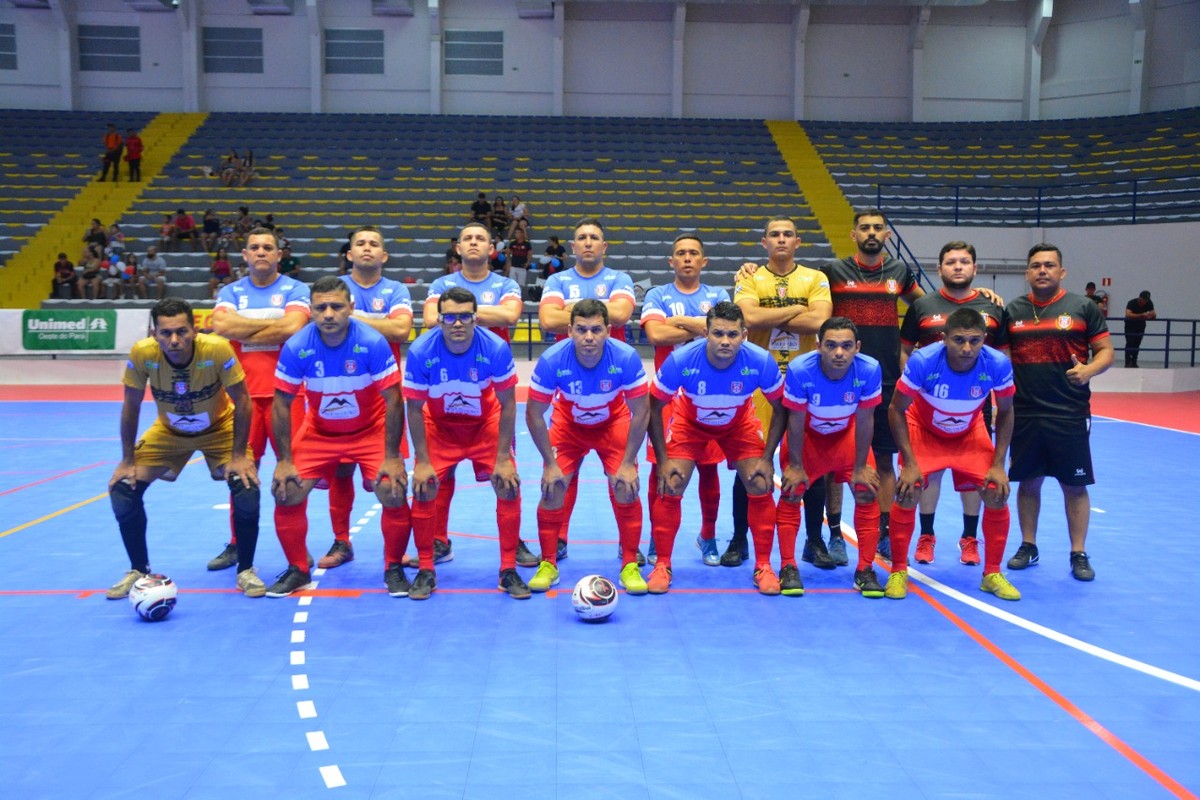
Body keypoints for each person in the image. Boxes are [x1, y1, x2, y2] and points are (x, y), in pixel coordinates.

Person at [104, 298, 265, 601]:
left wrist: (240, 455)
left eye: (181, 331)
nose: (174, 340)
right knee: (123, 489)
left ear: (195, 330)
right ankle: (139, 569)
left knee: (246, 486)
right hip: (169, 431)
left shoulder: (216, 349)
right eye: (166, 333)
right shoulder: (142, 354)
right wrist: (127, 460)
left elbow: (243, 401)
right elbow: (131, 405)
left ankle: (245, 569)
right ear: (154, 334)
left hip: (219, 428)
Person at [266, 277, 410, 597]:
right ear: (310, 311)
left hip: (370, 429)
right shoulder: (297, 346)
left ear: (351, 308)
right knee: (286, 490)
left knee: (393, 490)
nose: (329, 314)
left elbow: (394, 400)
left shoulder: (372, 342)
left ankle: (394, 567)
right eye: (321, 307)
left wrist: (392, 456)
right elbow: (282, 404)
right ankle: (298, 569)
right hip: (320, 433)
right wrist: (284, 461)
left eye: (336, 306)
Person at [648, 301, 787, 595]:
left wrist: (767, 457)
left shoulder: (760, 361)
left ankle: (764, 565)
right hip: (690, 421)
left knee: (760, 482)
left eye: (733, 334)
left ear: (744, 335)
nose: (725, 341)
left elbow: (781, 408)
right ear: (706, 333)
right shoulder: (682, 359)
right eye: (718, 333)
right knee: (671, 482)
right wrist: (662, 459)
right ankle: (662, 564)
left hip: (739, 423)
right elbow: (655, 404)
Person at [416, 223, 534, 568]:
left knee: (506, 473)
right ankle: (438, 541)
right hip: (446, 390)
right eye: (467, 238)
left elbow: (512, 316)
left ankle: (514, 545)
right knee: (442, 474)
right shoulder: (441, 284)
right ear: (458, 247)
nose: (473, 242)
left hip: (491, 392)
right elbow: (427, 321)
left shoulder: (506, 284)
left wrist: (457, 314)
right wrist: (476, 313)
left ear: (491, 248)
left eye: (480, 238)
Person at [884, 308, 1020, 600]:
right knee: (907, 491)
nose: (967, 348)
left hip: (970, 433)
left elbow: (1007, 413)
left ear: (985, 339)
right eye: (959, 340)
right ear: (944, 338)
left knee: (996, 491)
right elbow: (895, 409)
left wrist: (999, 464)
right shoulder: (923, 360)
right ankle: (897, 571)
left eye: (975, 340)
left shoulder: (997, 363)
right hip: (923, 430)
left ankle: (992, 573)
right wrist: (908, 462)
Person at [403, 287, 525, 600]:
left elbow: (509, 405)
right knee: (424, 485)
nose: (458, 323)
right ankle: (426, 569)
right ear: (439, 319)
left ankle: (508, 568)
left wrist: (502, 457)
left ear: (476, 318)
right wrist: (422, 461)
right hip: (439, 426)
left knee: (508, 484)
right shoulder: (420, 351)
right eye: (450, 317)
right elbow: (414, 409)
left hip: (485, 425)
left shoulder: (495, 347)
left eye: (465, 316)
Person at [727, 216, 832, 569]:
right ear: (764, 242)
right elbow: (747, 319)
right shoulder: (750, 277)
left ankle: (814, 542)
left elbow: (820, 322)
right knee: (750, 464)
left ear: (798, 242)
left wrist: (766, 313)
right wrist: (797, 309)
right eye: (775, 234)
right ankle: (740, 539)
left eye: (788, 234)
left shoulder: (816, 278)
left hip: (805, 384)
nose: (782, 239)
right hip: (759, 384)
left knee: (810, 465)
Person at [525, 300, 651, 593]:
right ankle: (549, 563)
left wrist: (629, 463)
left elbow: (641, 411)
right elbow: (534, 413)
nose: (589, 337)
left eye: (596, 329)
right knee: (553, 486)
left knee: (625, 484)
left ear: (609, 330)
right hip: (569, 426)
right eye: (581, 330)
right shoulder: (552, 359)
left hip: (613, 423)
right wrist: (550, 464)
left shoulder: (626, 357)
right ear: (570, 330)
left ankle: (630, 563)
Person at [1005, 244, 1113, 582]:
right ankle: (1028, 545)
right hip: (1025, 411)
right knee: (1028, 482)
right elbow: (1003, 357)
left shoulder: (1082, 307)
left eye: (1049, 265)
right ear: (1027, 272)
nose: (1042, 270)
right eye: (1036, 265)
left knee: (1074, 485)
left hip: (1069, 410)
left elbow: (1106, 351)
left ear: (1061, 272)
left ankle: (1078, 552)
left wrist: (1088, 371)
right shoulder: (1013, 310)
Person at [899, 241, 1008, 567]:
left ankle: (970, 539)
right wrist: (916, 383)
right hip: (927, 404)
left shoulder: (994, 307)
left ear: (975, 268)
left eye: (964, 262)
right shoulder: (922, 304)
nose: (957, 266)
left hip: (974, 405)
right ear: (939, 268)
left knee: (976, 479)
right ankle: (926, 535)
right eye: (951, 261)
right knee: (926, 477)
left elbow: (1002, 354)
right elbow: (905, 349)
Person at [207, 227, 311, 572]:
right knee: (241, 473)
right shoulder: (230, 290)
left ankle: (296, 548)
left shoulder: (295, 289)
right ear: (245, 255)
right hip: (241, 399)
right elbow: (221, 326)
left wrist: (244, 326)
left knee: (292, 474)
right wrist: (273, 325)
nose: (262, 252)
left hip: (287, 395)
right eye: (255, 247)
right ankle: (238, 543)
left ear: (280, 254)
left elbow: (293, 327)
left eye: (269, 247)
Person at [315, 226, 415, 572]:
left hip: (384, 398)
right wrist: (376, 321)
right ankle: (342, 541)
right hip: (339, 391)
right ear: (349, 253)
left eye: (374, 244)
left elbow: (401, 330)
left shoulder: (395, 289)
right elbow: (316, 325)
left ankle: (396, 551)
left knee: (392, 479)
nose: (367, 248)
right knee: (341, 471)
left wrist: (346, 318)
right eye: (361, 243)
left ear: (384, 255)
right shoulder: (334, 289)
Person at [537, 218, 637, 560]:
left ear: (604, 246)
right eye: (582, 237)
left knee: (621, 474)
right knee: (564, 473)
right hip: (571, 390)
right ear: (573, 246)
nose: (589, 242)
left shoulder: (619, 279)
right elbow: (548, 321)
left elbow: (622, 314)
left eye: (595, 237)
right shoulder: (557, 278)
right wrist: (596, 307)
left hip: (613, 391)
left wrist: (574, 309)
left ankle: (629, 545)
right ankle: (559, 539)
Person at [639, 233, 731, 566]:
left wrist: (679, 322)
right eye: (681, 253)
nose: (688, 258)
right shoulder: (657, 294)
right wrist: (702, 328)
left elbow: (723, 332)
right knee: (659, 468)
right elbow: (656, 335)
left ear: (703, 261)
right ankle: (655, 535)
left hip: (710, 395)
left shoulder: (718, 294)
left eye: (694, 253)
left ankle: (707, 536)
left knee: (709, 469)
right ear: (672, 261)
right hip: (668, 397)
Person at [779, 317, 884, 597]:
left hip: (846, 437)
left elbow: (865, 420)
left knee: (866, 490)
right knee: (792, 490)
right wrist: (796, 466)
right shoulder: (800, 369)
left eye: (847, 346)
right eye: (832, 345)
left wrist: (861, 466)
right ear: (818, 346)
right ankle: (788, 566)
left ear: (857, 347)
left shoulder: (870, 369)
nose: (839, 353)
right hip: (809, 438)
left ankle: (865, 569)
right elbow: (795, 420)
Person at [1124, 290, 1156, 368]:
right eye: (1143, 299)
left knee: (1137, 343)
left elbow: (1154, 314)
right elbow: (1128, 314)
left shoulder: (1149, 303)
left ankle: (1134, 361)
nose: (1144, 302)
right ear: (1140, 298)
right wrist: (1142, 315)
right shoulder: (1132, 303)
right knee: (1130, 342)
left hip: (1140, 325)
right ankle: (1127, 362)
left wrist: (1151, 315)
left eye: (1146, 300)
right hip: (1130, 325)